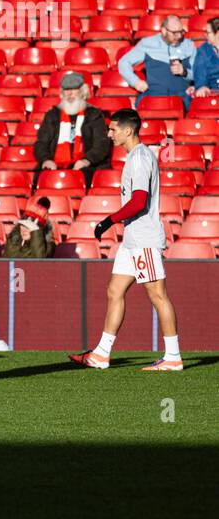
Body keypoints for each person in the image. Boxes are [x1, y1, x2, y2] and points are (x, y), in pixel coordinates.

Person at [70, 109, 182, 371]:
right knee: (114, 291)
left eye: (112, 129)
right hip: (131, 240)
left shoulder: (140, 158)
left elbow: (139, 201)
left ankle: (173, 356)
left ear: (128, 130)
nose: (109, 134)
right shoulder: (134, 157)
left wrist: (108, 220)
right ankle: (101, 353)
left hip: (143, 239)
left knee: (157, 295)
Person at [34, 72, 112, 187]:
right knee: (42, 178)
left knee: (84, 177)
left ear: (82, 91)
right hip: (55, 164)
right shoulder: (52, 115)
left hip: (87, 166)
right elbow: (41, 143)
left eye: (74, 89)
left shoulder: (94, 114)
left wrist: (86, 160)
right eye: (66, 89)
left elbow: (102, 144)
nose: (70, 93)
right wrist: (46, 160)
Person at [117, 14, 195, 110]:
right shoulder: (148, 43)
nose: (179, 36)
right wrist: (135, 82)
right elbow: (123, 62)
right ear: (164, 30)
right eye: (174, 33)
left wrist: (184, 72)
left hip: (181, 98)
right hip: (154, 96)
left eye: (181, 32)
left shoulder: (189, 45)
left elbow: (199, 75)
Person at [192, 16, 219, 98]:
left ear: (217, 33)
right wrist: (202, 86)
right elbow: (200, 74)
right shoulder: (204, 50)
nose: (205, 35)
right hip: (212, 93)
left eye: (208, 33)